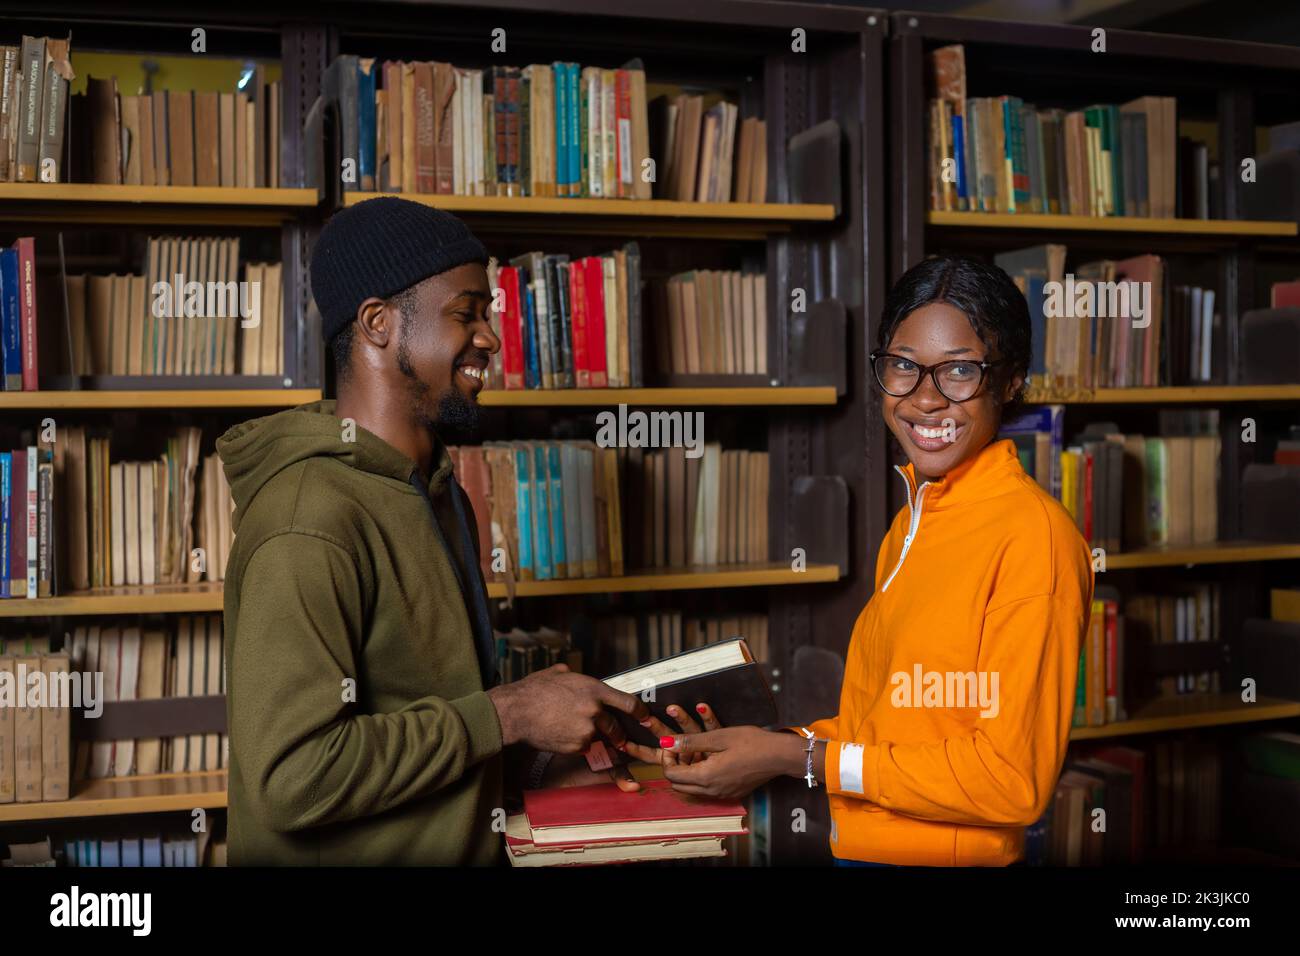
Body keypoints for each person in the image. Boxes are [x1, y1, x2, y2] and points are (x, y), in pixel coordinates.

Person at [217, 197, 669, 865]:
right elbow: (293, 777)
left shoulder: (436, 492)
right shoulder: (307, 522)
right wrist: (511, 713)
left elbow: (430, 720)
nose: (488, 337)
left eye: (486, 314)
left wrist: (529, 767)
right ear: (378, 324)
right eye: (466, 313)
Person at [658, 256, 1095, 866]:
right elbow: (897, 730)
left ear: (1012, 380)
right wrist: (769, 746)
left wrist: (797, 759)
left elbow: (1008, 779)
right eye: (903, 367)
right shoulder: (911, 523)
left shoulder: (1034, 538)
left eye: (960, 371)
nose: (923, 400)